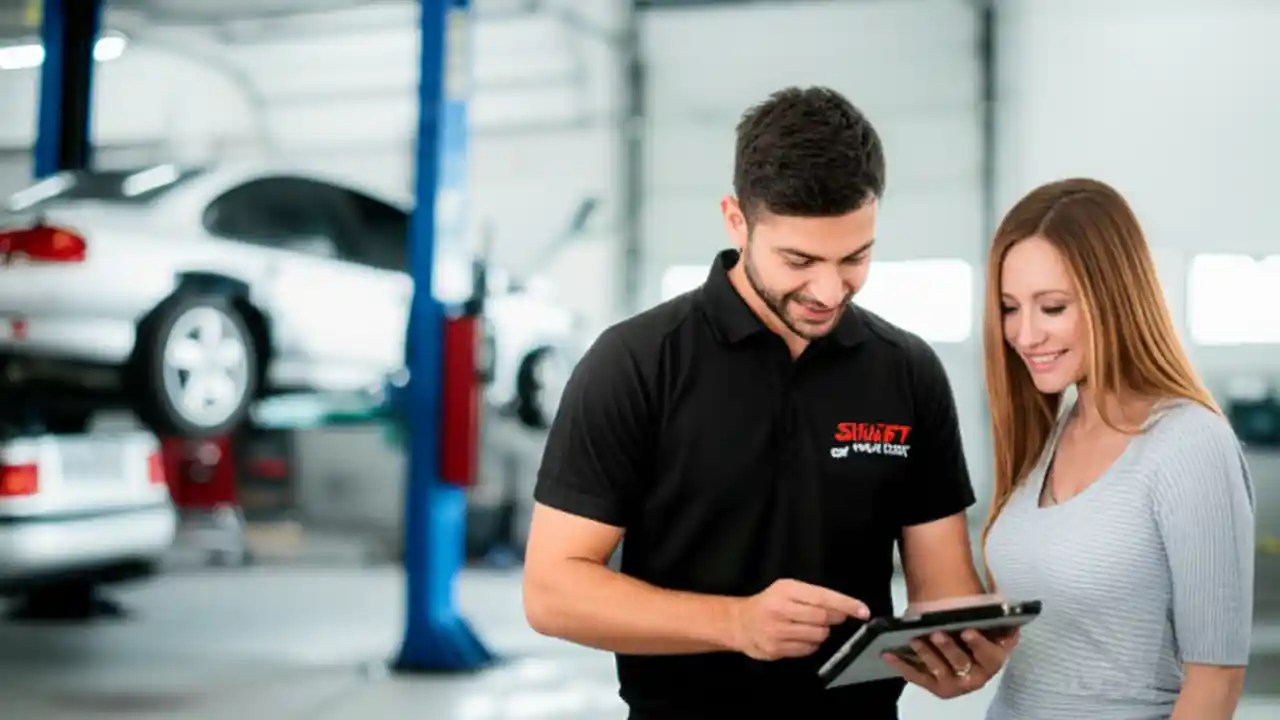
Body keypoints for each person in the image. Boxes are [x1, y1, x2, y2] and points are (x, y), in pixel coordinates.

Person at [522, 85, 1015, 719]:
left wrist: (957, 652)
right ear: (736, 220)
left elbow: (942, 587)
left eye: (856, 257)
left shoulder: (907, 370)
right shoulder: (637, 363)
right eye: (799, 259)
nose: (829, 289)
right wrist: (735, 623)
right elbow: (552, 591)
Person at [980, 178, 1256, 720]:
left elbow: (1215, 682)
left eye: (1052, 307)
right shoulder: (1048, 432)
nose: (1024, 334)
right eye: (1010, 307)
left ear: (1115, 298)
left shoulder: (1189, 444)